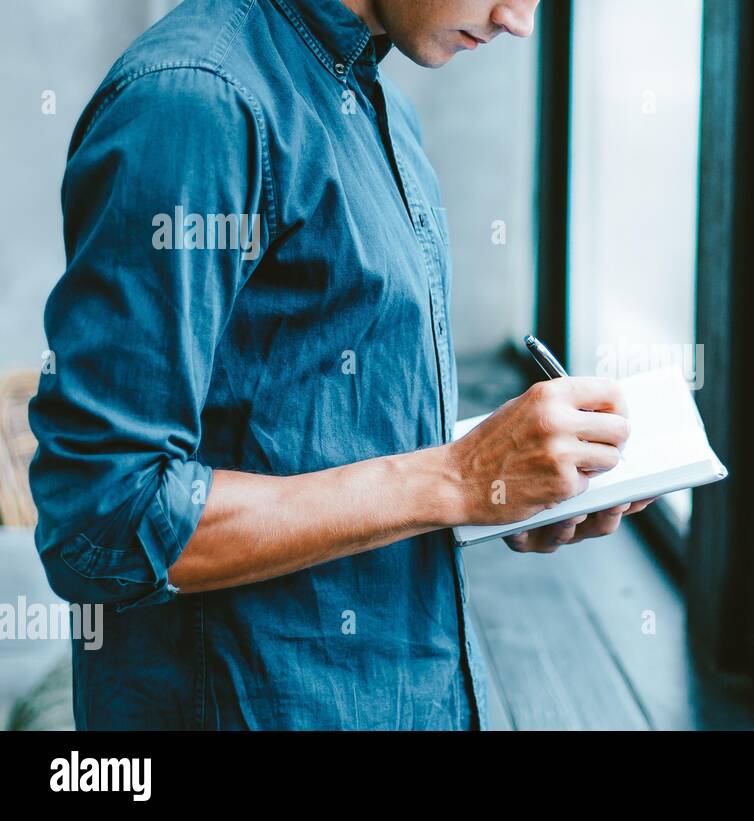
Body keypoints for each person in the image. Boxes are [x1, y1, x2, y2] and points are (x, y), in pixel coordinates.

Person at [27, 0, 653, 731]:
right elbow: (103, 519)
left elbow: (329, 424)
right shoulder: (196, 101)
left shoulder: (370, 97)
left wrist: (504, 486)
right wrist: (453, 479)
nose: (519, 19)